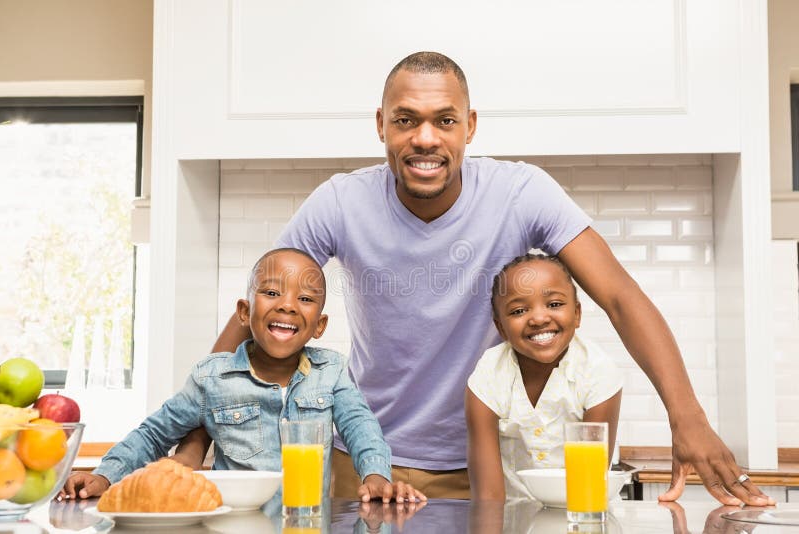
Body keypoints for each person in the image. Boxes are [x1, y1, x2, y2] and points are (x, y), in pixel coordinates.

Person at [204, 51, 772, 505]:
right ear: (382, 125)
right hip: (361, 463)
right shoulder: (338, 203)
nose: (425, 138)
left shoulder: (522, 193)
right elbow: (262, 307)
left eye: (444, 121)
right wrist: (192, 441)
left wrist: (688, 416)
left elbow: (621, 298)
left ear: (469, 126)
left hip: (489, 470)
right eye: (406, 120)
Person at [60, 248, 426, 504]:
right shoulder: (211, 378)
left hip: (307, 521)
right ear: (244, 311)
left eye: (306, 299)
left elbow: (362, 428)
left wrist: (376, 476)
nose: (287, 304)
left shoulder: (330, 372)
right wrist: (105, 475)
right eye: (271, 292)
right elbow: (153, 433)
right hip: (232, 522)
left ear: (320, 325)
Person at [466, 253, 623, 500]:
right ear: (501, 328)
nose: (539, 319)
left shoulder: (597, 369)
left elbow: (589, 483)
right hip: (511, 521)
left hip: (580, 516)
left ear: (577, 314)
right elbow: (488, 495)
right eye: (519, 310)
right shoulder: (489, 373)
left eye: (554, 304)